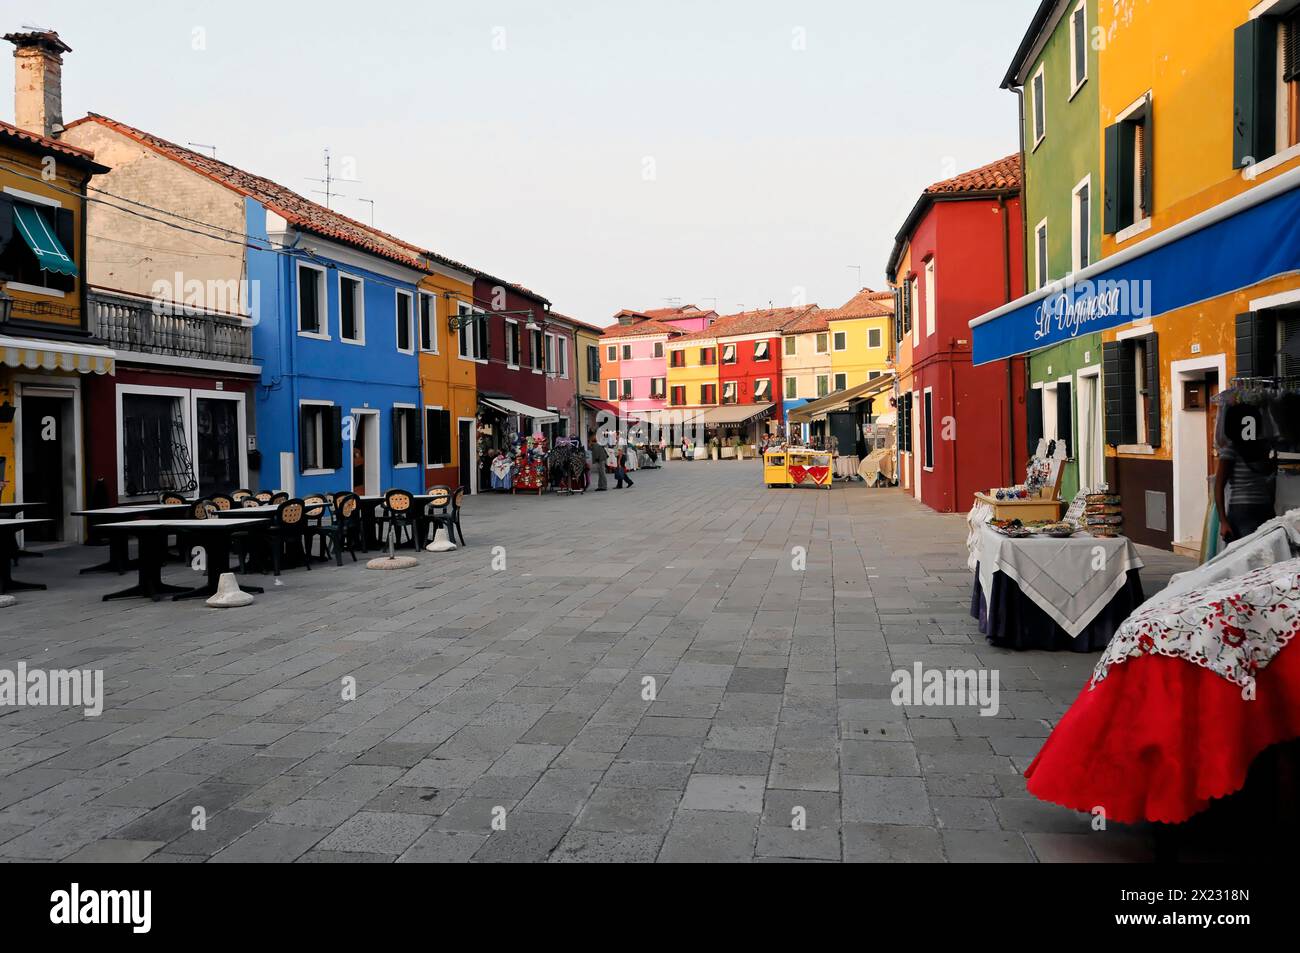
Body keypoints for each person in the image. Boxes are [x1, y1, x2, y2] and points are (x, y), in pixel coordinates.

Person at [1215, 402, 1277, 544]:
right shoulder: (1263, 448)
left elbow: (1218, 486)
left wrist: (1223, 521)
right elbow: (1270, 481)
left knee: (1247, 554)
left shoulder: (1232, 449)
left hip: (1245, 508)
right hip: (1260, 507)